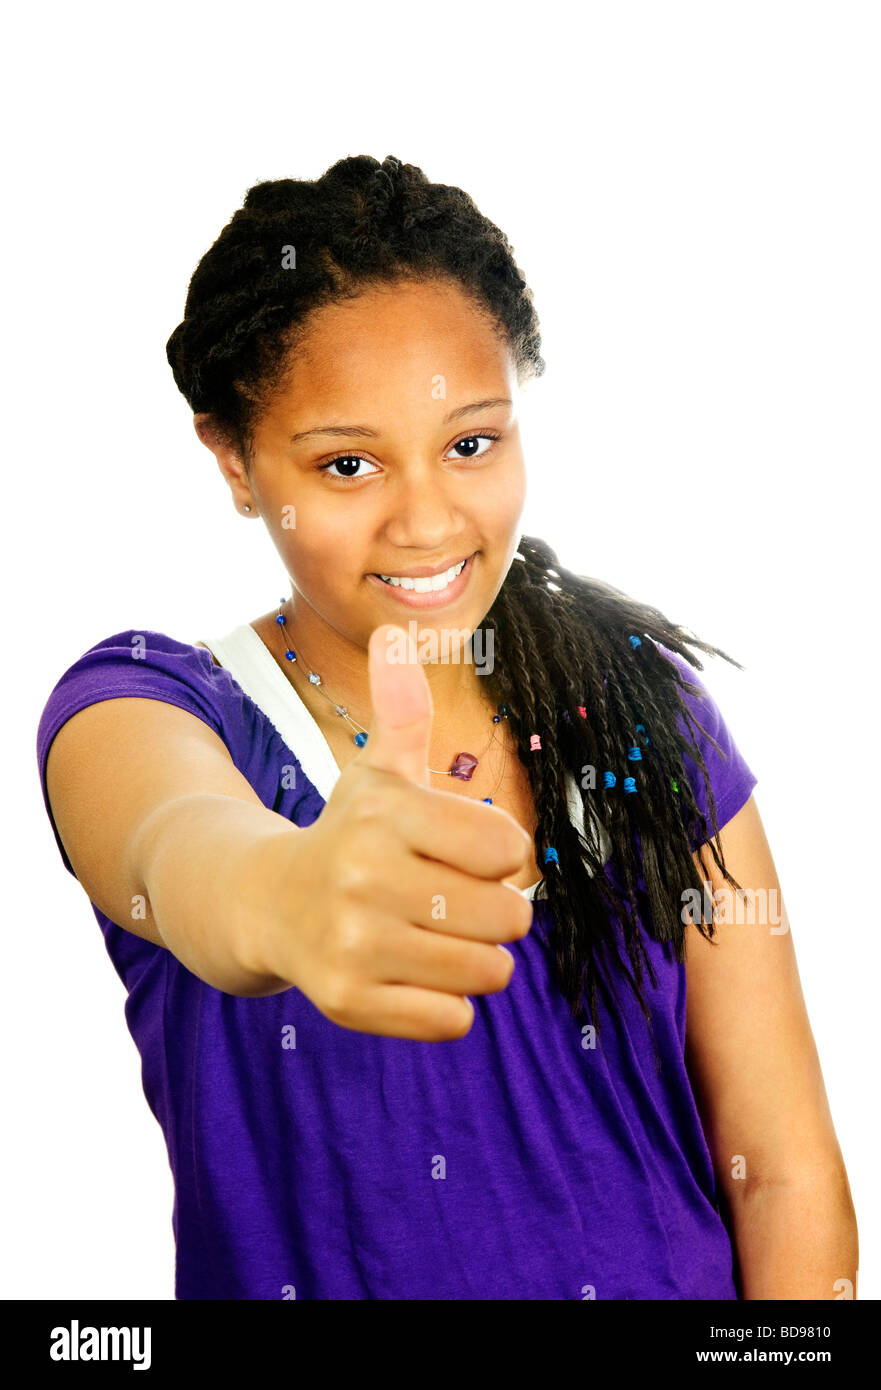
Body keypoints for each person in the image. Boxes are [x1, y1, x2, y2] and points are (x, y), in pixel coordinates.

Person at [36, 155, 857, 1301]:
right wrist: (287, 893)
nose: (427, 519)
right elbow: (176, 846)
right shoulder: (145, 704)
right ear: (232, 460)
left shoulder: (639, 706)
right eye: (347, 463)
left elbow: (776, 1172)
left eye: (470, 443)